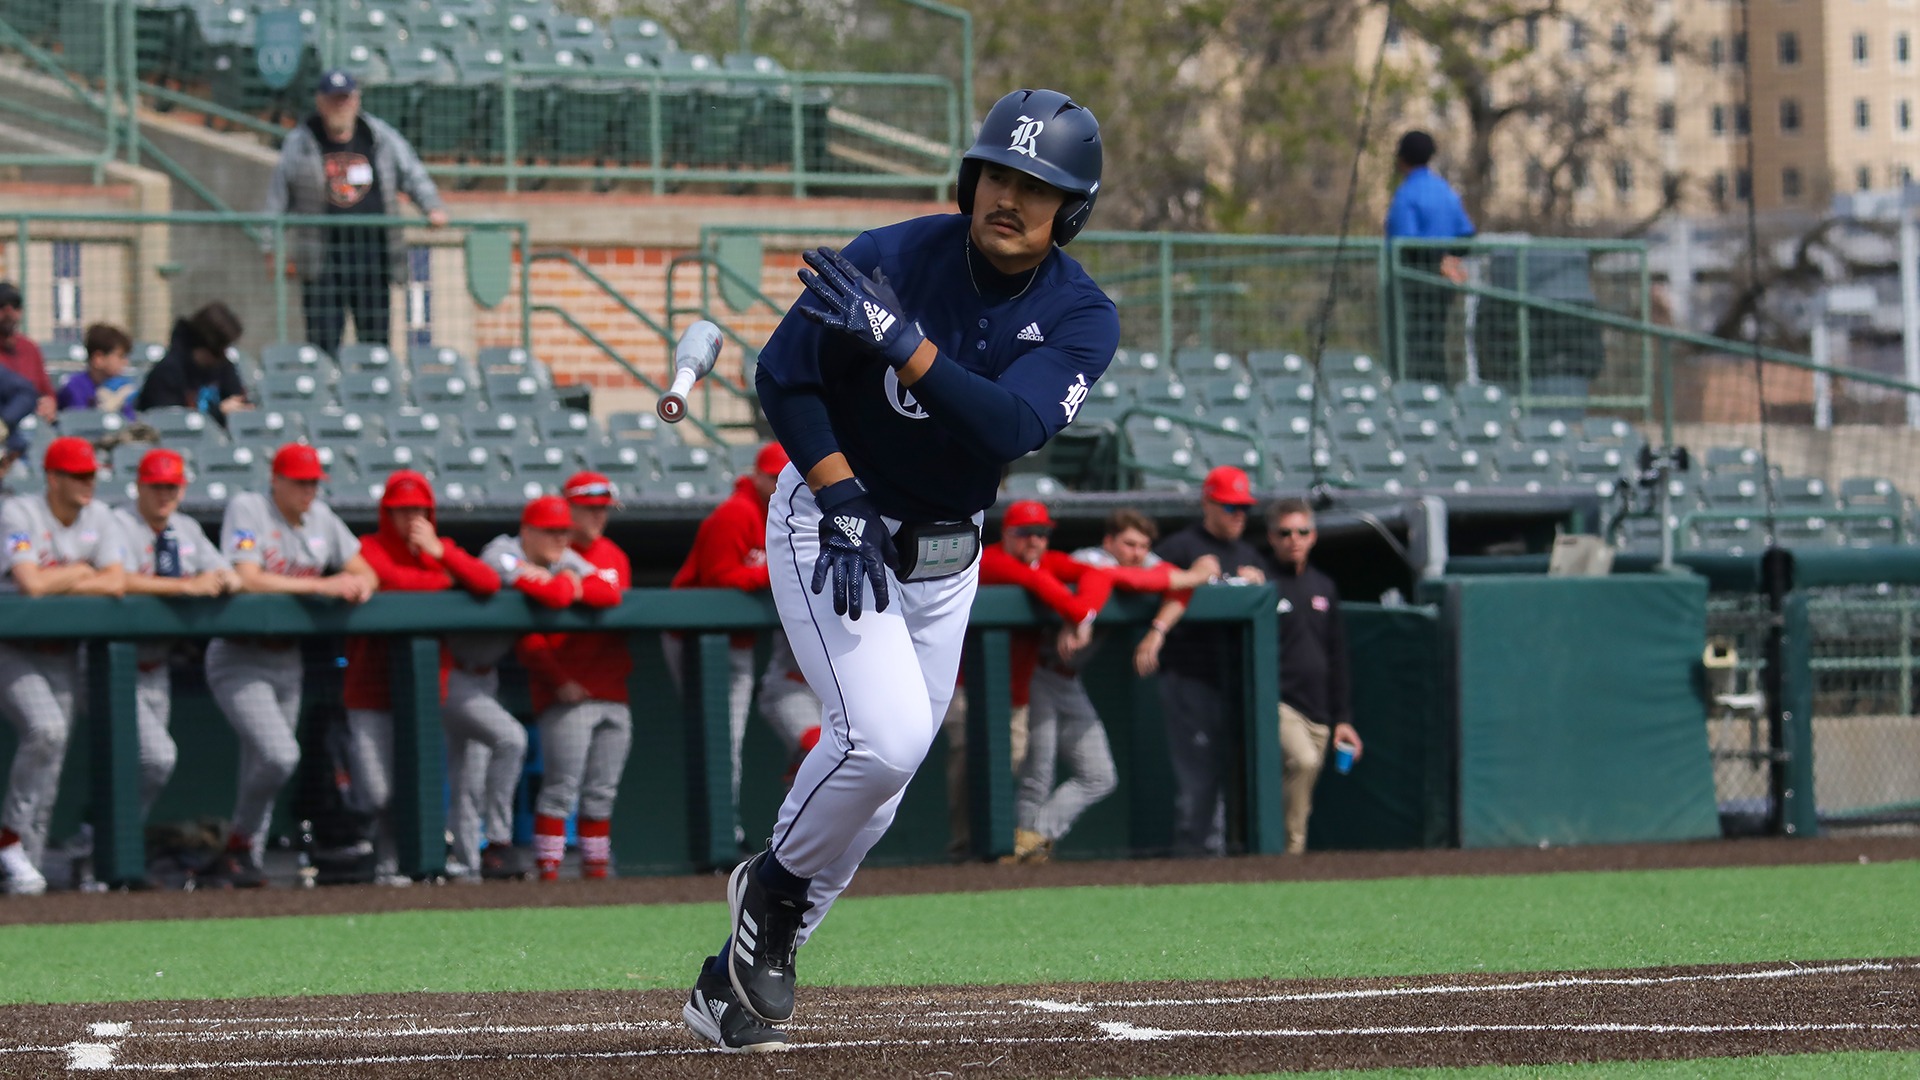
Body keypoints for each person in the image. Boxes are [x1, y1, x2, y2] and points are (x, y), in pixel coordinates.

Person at [682, 87, 1117, 1053]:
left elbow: (1013, 425)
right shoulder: (890, 254)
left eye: (1038, 185)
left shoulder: (1084, 315)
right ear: (971, 178)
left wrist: (903, 344)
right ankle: (773, 890)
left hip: (943, 556)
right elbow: (780, 377)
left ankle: (730, 984)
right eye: (998, 172)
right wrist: (836, 495)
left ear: (1071, 208)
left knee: (888, 775)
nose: (1011, 195)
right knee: (878, 741)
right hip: (833, 522)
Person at [993, 507, 1221, 864]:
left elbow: (1179, 587)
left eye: (1143, 546)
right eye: (1129, 544)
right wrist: (1078, 615)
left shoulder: (1142, 561)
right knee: (1038, 775)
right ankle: (1021, 853)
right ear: (1109, 541)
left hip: (1070, 680)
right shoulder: (1088, 558)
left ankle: (1032, 838)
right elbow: (1119, 578)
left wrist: (1157, 632)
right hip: (1038, 670)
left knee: (1100, 776)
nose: (1137, 553)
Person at [200, 443, 377, 888]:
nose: (308, 491)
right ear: (275, 480)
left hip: (287, 658)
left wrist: (358, 585)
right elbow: (248, 576)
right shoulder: (250, 508)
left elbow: (365, 569)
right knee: (280, 756)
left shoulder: (321, 518)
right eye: (299, 482)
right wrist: (322, 585)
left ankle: (245, 862)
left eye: (313, 482)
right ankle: (241, 842)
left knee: (260, 761)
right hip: (239, 656)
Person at [341, 471, 502, 885]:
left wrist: (441, 555)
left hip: (426, 693)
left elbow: (487, 582)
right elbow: (389, 582)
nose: (410, 517)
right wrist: (442, 580)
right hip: (371, 689)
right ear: (386, 512)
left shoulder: (438, 549)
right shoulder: (367, 548)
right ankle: (383, 858)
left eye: (418, 509)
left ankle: (403, 867)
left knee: (422, 785)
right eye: (401, 510)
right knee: (378, 792)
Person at [448, 497, 616, 882]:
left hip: (485, 675)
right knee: (502, 747)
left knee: (471, 773)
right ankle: (493, 846)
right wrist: (565, 584)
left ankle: (469, 864)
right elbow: (555, 597)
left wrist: (568, 582)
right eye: (551, 532)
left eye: (564, 531)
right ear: (527, 532)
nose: (560, 539)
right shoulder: (501, 552)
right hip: (450, 671)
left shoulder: (560, 558)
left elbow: (608, 592)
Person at [665, 443, 822, 853]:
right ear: (757, 476)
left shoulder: (788, 515)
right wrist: (778, 572)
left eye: (783, 478)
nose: (776, 485)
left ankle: (741, 831)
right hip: (697, 642)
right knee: (721, 740)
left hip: (737, 644)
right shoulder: (737, 513)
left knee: (727, 741)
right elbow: (720, 581)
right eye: (771, 477)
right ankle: (721, 836)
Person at [0, 437, 124, 895]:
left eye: (92, 474)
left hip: (62, 653)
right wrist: (80, 572)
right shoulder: (20, 512)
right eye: (78, 475)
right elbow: (31, 583)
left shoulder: (101, 516)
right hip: (11, 646)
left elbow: (115, 579)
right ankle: (10, 839)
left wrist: (77, 577)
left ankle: (24, 872)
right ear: (52, 477)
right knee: (46, 729)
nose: (88, 482)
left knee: (52, 765)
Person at [264, 69, 449, 358]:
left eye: (346, 99)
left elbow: (412, 173)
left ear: (356, 100)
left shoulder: (378, 136)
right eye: (334, 99)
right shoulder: (301, 142)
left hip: (372, 257)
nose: (341, 105)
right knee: (323, 342)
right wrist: (270, 248)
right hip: (322, 259)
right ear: (320, 102)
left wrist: (432, 205)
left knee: (375, 343)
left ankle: (374, 395)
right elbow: (276, 199)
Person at [112, 449, 242, 822]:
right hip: (114, 665)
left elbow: (225, 573)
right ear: (139, 486)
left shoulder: (185, 529)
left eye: (172, 487)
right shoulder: (116, 522)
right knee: (156, 757)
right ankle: (111, 837)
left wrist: (225, 579)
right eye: (156, 486)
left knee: (147, 767)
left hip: (158, 667)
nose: (164, 495)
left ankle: (108, 838)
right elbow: (112, 578)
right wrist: (184, 587)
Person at [503, 493, 627, 881]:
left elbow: (610, 593)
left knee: (601, 792)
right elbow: (527, 639)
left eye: (604, 507)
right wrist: (558, 681)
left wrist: (570, 584)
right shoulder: (528, 557)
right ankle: (549, 878)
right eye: (590, 507)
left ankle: (596, 875)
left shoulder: (603, 556)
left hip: (612, 690)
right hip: (567, 694)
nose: (599, 515)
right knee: (561, 789)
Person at [1152, 465, 1268, 858]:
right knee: (1198, 781)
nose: (1239, 515)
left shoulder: (1249, 555)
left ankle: (1225, 859)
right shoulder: (1180, 547)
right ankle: (1193, 863)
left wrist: (1258, 585)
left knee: (1237, 778)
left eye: (1243, 508)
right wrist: (1193, 578)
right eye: (1229, 506)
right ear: (1208, 503)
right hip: (1189, 678)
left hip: (1239, 683)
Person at [1264, 499, 1362, 855]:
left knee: (1303, 782)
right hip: (1279, 701)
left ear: (1314, 536)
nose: (1294, 539)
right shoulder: (1263, 582)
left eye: (1302, 532)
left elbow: (1337, 656)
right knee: (1303, 761)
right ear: (1271, 537)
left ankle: (1282, 850)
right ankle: (1290, 853)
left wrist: (1344, 719)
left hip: (1319, 708)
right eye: (1285, 532)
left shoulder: (1324, 586)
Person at [1385, 130, 1476, 385]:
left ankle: (1418, 395)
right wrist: (1448, 260)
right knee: (1437, 340)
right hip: (1442, 283)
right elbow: (1467, 235)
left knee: (1413, 343)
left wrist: (1436, 262)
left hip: (1414, 281)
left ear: (1402, 158)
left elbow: (1407, 244)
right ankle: (1439, 393)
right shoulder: (1444, 190)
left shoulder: (1407, 194)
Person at [133, 301, 251, 426]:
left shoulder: (223, 366)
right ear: (208, 346)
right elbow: (170, 423)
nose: (224, 355)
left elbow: (237, 398)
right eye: (221, 349)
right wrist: (218, 412)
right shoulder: (168, 371)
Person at [0, 282, 56, 423]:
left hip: (33, 423)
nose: (9, 311)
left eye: (15, 305)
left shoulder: (30, 348)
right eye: (1, 305)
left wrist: (49, 403)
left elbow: (46, 391)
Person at [56, 323, 138, 420]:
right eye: (120, 356)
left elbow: (130, 421)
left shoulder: (121, 387)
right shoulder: (75, 387)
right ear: (98, 359)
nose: (125, 362)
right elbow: (79, 422)